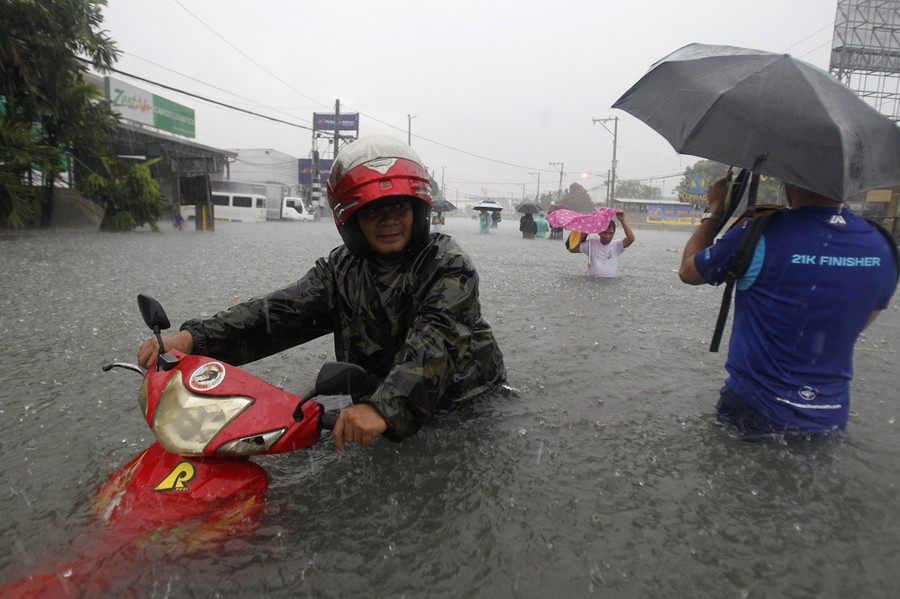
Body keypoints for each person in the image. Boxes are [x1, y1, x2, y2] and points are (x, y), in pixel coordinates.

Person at [138, 136, 507, 452]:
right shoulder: (341, 271)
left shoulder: (447, 263)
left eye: (397, 206)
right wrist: (193, 339)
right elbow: (274, 315)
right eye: (372, 211)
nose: (389, 220)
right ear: (352, 221)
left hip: (463, 412)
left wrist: (383, 408)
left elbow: (436, 340)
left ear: (417, 209)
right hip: (375, 405)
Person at [679, 174, 898, 437]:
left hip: (753, 410)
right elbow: (857, 324)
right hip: (831, 415)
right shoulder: (884, 246)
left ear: (789, 175)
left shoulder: (759, 233)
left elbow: (688, 272)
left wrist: (715, 211)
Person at [568, 211, 635, 277]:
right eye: (605, 233)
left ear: (614, 233)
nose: (607, 236)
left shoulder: (616, 245)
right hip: (593, 281)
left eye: (610, 233)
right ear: (599, 232)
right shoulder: (591, 244)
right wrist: (586, 230)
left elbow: (631, 239)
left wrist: (622, 221)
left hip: (610, 282)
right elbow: (572, 249)